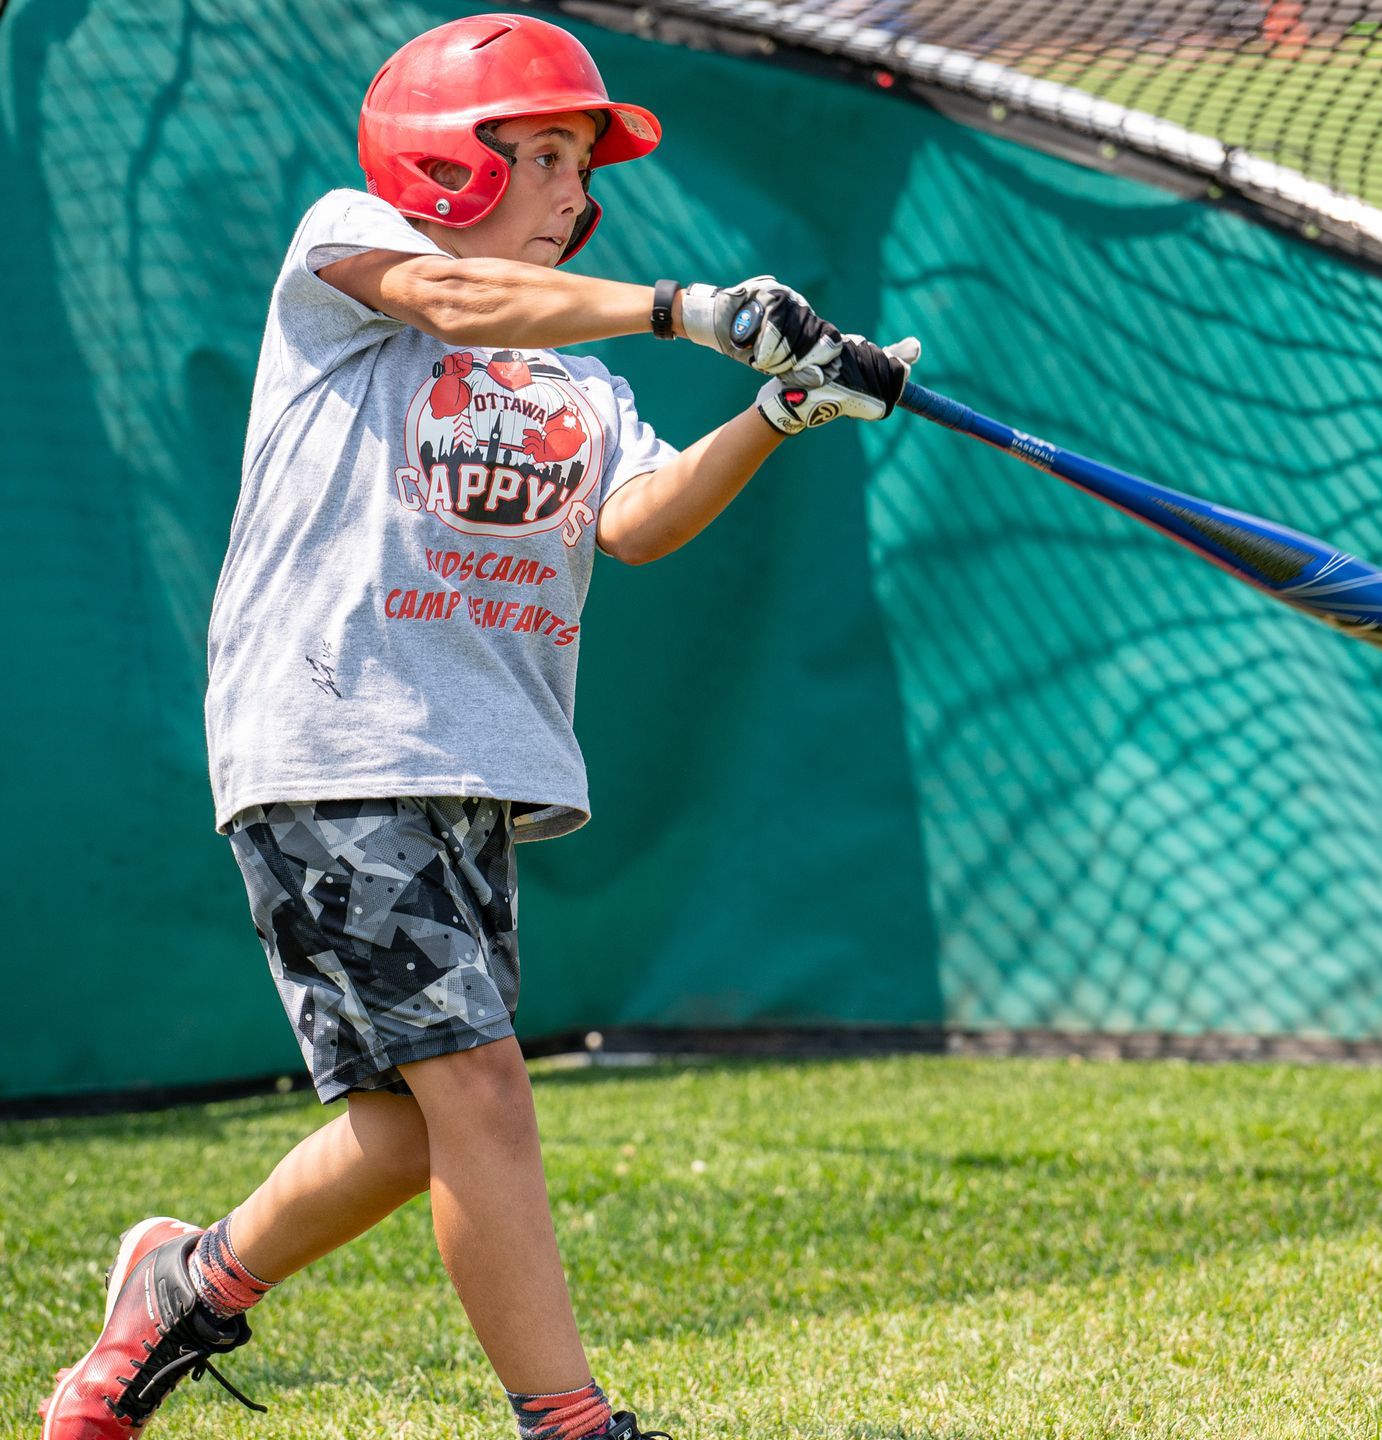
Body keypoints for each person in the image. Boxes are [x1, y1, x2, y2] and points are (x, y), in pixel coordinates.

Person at [38, 14, 915, 1440]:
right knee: (487, 1092)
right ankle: (569, 1423)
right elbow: (454, 299)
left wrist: (781, 411)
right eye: (549, 155)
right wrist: (684, 308)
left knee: (410, 1128)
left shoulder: (578, 379)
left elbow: (638, 521)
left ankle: (182, 1288)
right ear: (445, 162)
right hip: (334, 743)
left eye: (584, 166)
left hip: (473, 770)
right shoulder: (351, 247)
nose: (577, 192)